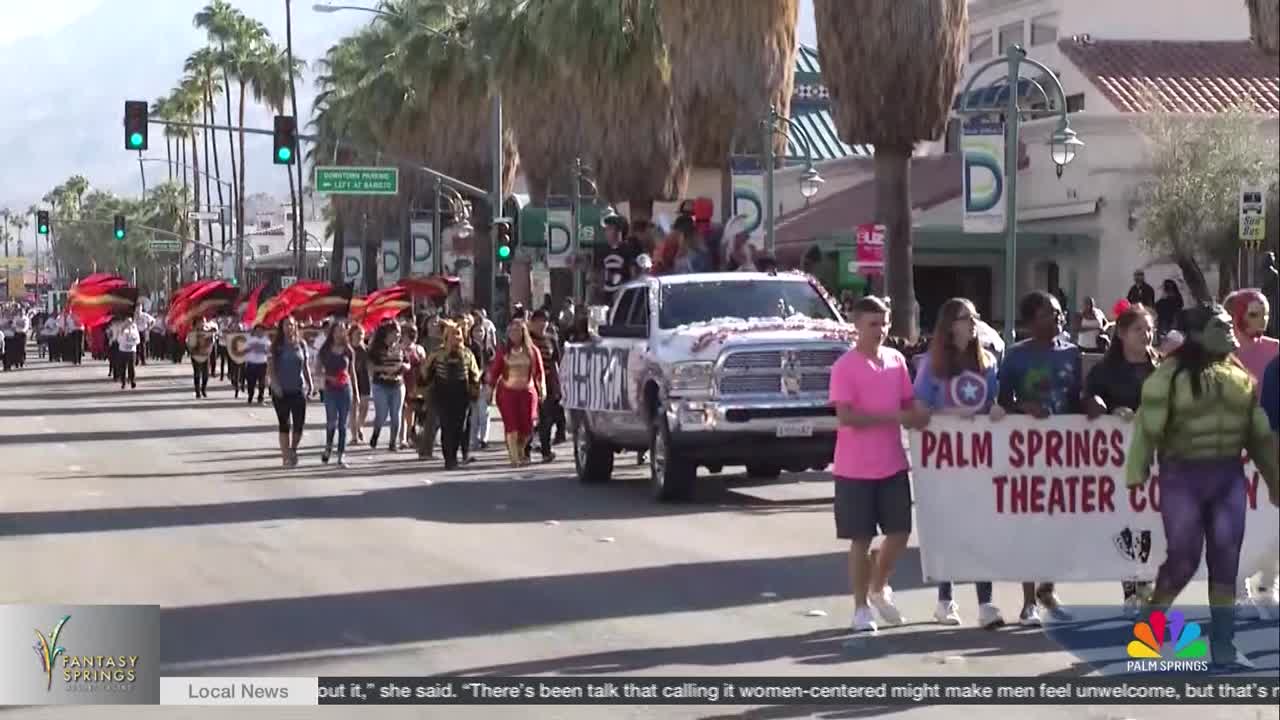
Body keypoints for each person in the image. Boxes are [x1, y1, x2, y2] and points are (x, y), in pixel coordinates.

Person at [1126, 302, 1279, 670]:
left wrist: (1274, 478)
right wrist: (1137, 470)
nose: (1230, 332)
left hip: (1227, 477)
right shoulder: (1169, 377)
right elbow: (1147, 427)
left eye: (1230, 326)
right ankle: (1149, 627)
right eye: (1220, 326)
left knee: (1226, 563)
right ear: (1197, 334)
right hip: (1182, 478)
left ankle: (1223, 646)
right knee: (1183, 560)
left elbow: (1257, 434)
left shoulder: (1240, 378)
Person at [829, 296, 928, 633]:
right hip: (854, 468)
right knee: (861, 538)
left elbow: (908, 402)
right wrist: (894, 416)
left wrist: (919, 414)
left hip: (892, 464)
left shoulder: (896, 360)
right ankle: (860, 608)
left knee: (900, 532)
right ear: (856, 326)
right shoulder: (845, 366)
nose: (881, 330)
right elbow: (845, 416)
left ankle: (879, 584)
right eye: (874, 324)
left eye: (885, 323)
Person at [912, 298, 1006, 629]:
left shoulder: (988, 362)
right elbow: (919, 411)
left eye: (975, 317)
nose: (973, 323)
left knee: (982, 531)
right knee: (948, 530)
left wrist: (994, 409)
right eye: (967, 318)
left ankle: (986, 603)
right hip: (943, 460)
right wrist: (954, 416)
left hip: (979, 459)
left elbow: (991, 400)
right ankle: (945, 600)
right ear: (950, 324)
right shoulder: (931, 366)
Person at [997, 290, 1082, 625]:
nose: (1059, 318)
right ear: (1032, 320)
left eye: (1060, 312)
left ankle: (1049, 590)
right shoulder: (1016, 356)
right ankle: (1028, 601)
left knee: (1059, 527)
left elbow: (1076, 398)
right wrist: (1023, 408)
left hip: (1065, 453)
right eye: (1050, 313)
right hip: (1027, 453)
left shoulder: (1072, 353)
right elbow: (1002, 401)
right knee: (1030, 525)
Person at [1083, 304, 1159, 616]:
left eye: (1149, 328)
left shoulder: (1162, 368)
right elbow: (1088, 401)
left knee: (1151, 522)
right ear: (1122, 334)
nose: (1147, 334)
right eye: (1139, 329)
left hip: (1157, 459)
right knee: (1126, 522)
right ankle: (1130, 588)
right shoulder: (1104, 370)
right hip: (1117, 461)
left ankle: (1147, 583)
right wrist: (1108, 411)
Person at [1223, 288, 1280, 618]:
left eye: (1266, 312)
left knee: (1273, 522)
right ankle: (1237, 585)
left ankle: (1268, 583)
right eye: (1254, 313)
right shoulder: (1221, 353)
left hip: (1268, 445)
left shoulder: (1275, 352)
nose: (1263, 320)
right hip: (1233, 449)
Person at [421, 320, 483, 469]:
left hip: (462, 395)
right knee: (446, 426)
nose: (456, 337)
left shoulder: (467, 354)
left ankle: (457, 453)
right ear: (446, 336)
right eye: (452, 334)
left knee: (459, 426)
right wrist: (422, 392)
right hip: (442, 394)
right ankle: (449, 458)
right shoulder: (437, 354)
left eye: (458, 334)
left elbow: (474, 374)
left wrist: (475, 392)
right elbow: (426, 372)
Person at [488, 317, 546, 468]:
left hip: (527, 392)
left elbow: (539, 373)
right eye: (512, 331)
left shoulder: (533, 351)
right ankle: (514, 458)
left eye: (517, 330)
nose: (514, 334)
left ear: (523, 332)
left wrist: (542, 390)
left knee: (527, 427)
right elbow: (495, 372)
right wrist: (489, 389)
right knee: (512, 426)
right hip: (507, 393)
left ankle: (521, 450)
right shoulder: (504, 351)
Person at [267, 316, 313, 467]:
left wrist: (310, 383)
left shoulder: (301, 344)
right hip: (281, 391)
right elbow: (271, 369)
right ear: (282, 327)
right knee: (284, 424)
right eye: (286, 325)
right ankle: (285, 455)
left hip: (298, 389)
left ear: (295, 327)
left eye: (292, 325)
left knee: (299, 424)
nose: (289, 328)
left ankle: (293, 449)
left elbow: (305, 366)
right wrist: (275, 385)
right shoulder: (276, 346)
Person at [317, 320, 358, 467]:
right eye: (338, 330)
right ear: (333, 332)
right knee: (331, 422)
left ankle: (341, 455)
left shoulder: (349, 350)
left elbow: (352, 372)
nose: (341, 332)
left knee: (343, 424)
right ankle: (328, 447)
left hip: (345, 389)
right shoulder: (325, 350)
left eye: (343, 330)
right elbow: (318, 370)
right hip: (330, 390)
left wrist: (356, 393)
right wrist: (329, 378)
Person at [368, 321, 409, 452]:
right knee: (382, 414)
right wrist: (385, 368)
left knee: (396, 414)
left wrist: (402, 367)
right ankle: (376, 432)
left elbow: (408, 364)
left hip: (398, 385)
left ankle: (393, 442)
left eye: (399, 333)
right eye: (395, 332)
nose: (397, 335)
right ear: (387, 333)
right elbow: (370, 367)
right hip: (380, 385)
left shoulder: (401, 348)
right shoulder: (376, 348)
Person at [528, 309, 562, 462]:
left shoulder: (551, 339)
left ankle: (546, 451)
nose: (542, 324)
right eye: (538, 321)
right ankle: (525, 450)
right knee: (528, 418)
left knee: (546, 418)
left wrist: (559, 384)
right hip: (528, 381)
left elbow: (557, 362)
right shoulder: (526, 339)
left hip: (547, 382)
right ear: (532, 322)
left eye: (545, 321)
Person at [467, 313, 496, 452]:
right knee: (474, 414)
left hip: (485, 384)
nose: (479, 334)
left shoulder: (488, 350)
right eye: (476, 331)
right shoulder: (468, 349)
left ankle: (484, 439)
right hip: (472, 384)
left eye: (481, 331)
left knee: (484, 412)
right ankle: (474, 440)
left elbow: (492, 367)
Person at [405, 322, 433, 455]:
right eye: (409, 334)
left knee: (417, 409)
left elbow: (425, 365)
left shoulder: (419, 349)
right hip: (403, 380)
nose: (411, 337)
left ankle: (414, 435)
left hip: (417, 381)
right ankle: (405, 436)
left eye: (413, 334)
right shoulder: (398, 348)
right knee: (406, 409)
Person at [349, 324, 372, 444]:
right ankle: (354, 437)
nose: (360, 336)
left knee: (364, 407)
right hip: (351, 381)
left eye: (362, 334)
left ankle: (360, 426)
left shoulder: (366, 350)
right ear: (351, 334)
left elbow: (371, 364)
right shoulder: (348, 349)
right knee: (353, 409)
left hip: (364, 380)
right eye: (357, 334)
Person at [186, 317, 217, 398]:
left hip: (205, 354)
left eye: (204, 322)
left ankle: (203, 388)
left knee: (205, 374)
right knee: (197, 373)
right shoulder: (192, 332)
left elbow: (212, 342)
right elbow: (189, 344)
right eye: (201, 322)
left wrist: (211, 334)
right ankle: (197, 391)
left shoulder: (208, 331)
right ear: (196, 323)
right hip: (195, 355)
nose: (202, 324)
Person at [242, 324, 270, 405]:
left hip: (262, 363)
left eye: (260, 331)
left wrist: (263, 349)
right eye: (257, 331)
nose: (259, 332)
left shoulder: (266, 340)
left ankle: (260, 398)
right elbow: (243, 351)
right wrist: (251, 348)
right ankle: (250, 396)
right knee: (251, 382)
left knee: (262, 382)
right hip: (251, 363)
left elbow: (269, 352)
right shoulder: (250, 339)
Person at [116, 315, 141, 389]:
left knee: (131, 367)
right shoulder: (121, 329)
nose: (128, 323)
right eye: (127, 321)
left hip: (132, 351)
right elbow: (118, 340)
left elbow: (138, 340)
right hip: (123, 351)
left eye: (130, 322)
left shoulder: (134, 329)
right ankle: (123, 382)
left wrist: (132, 343)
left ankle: (132, 381)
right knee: (123, 367)